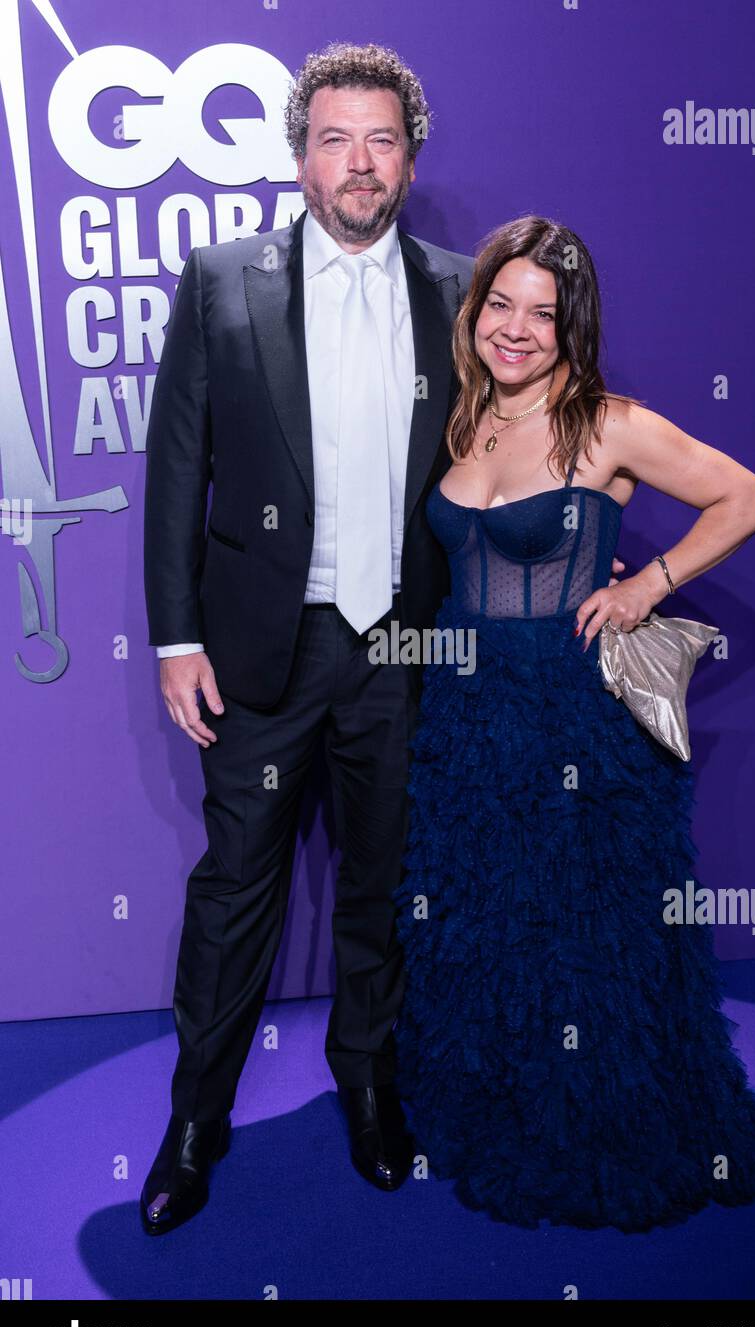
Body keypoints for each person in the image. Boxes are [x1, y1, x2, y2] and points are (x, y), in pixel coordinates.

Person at [391, 214, 755, 1232]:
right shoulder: (464, 415)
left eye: (544, 312)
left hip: (570, 716)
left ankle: (594, 1129)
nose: (517, 329)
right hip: (465, 712)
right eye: (501, 305)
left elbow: (746, 497)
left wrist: (647, 583)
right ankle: (493, 1105)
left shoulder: (607, 421)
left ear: (574, 325)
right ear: (475, 308)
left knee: (583, 932)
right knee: (488, 919)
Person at [139, 42, 479, 1234]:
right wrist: (174, 637)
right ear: (298, 158)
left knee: (385, 891)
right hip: (256, 656)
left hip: (401, 650)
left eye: (380, 139)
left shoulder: (461, 290)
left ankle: (371, 1085)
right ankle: (196, 1118)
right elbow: (179, 468)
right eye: (334, 139)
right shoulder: (219, 280)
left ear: (410, 155)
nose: (358, 162)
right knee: (236, 892)